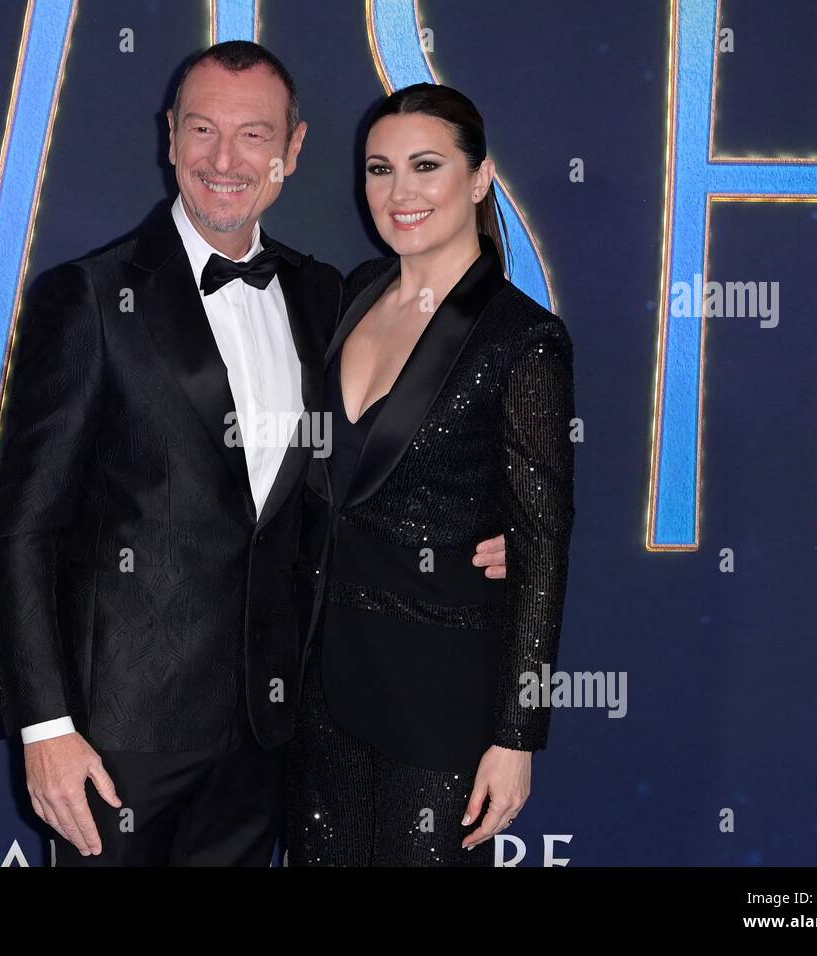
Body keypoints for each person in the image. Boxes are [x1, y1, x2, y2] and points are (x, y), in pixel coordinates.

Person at [0, 42, 510, 866]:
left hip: (275, 727)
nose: (225, 160)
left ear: (292, 151)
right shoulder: (89, 297)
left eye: (254, 136)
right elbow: (21, 531)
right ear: (170, 137)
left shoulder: (327, 294)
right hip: (122, 737)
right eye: (203, 130)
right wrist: (46, 728)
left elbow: (378, 470)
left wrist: (482, 533)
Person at [285, 83, 577, 866]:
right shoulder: (352, 294)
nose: (399, 192)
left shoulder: (522, 338)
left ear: (479, 179)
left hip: (440, 703)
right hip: (323, 688)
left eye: (426, 165)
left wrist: (517, 738)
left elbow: (542, 547)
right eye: (379, 169)